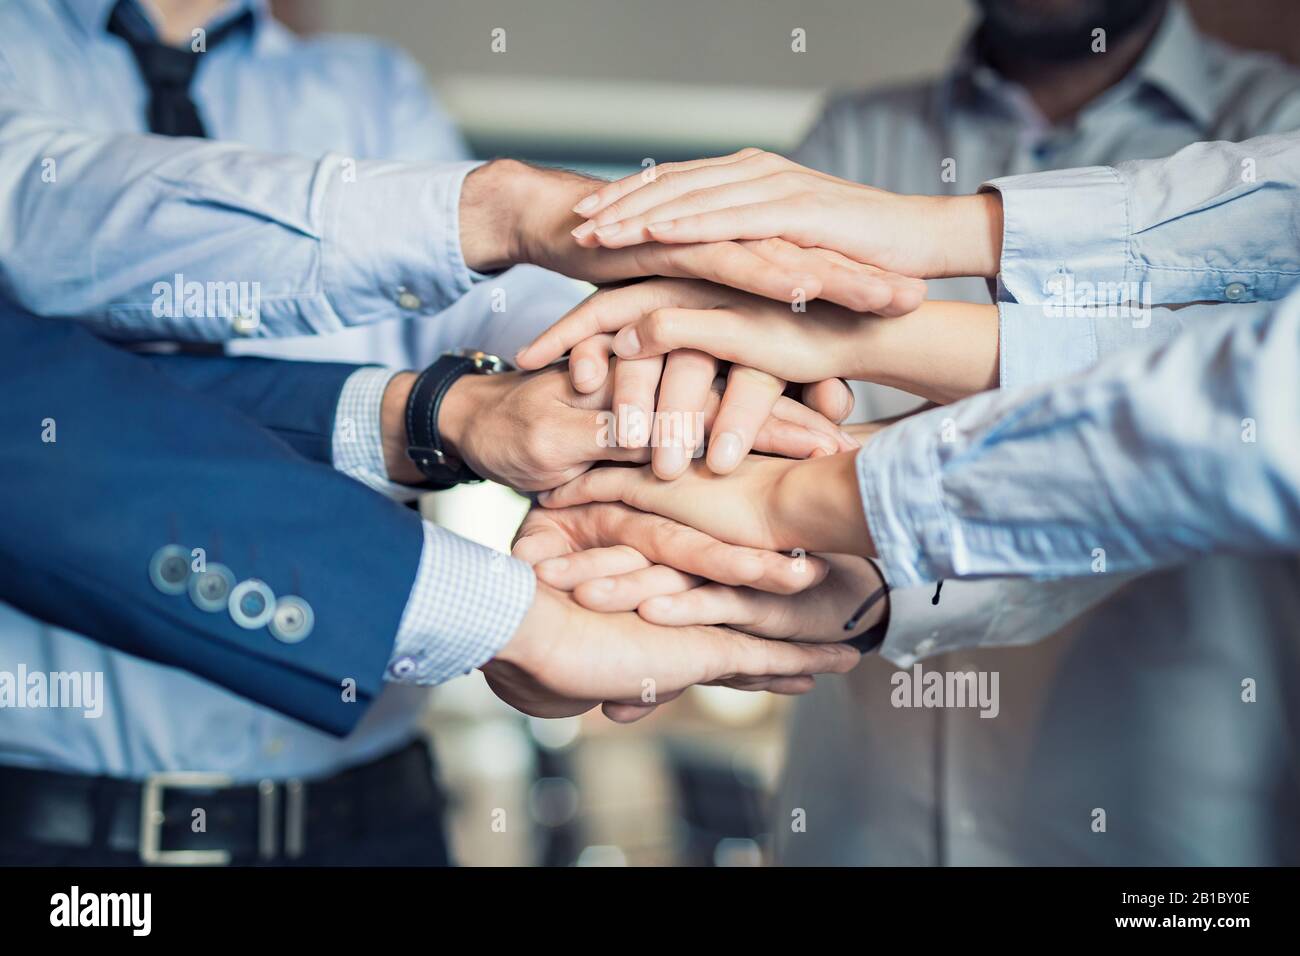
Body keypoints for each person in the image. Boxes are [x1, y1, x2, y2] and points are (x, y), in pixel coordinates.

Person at [0, 0, 884, 865]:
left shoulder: (365, 83)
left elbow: (494, 299)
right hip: (52, 824)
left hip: (370, 814)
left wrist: (646, 361)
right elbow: (48, 239)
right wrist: (500, 214)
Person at [523, 1, 1300, 864]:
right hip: (859, 805)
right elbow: (725, 377)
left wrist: (827, 502)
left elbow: (1223, 411)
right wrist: (665, 417)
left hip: (1157, 820)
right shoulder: (853, 136)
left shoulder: (1280, 124)